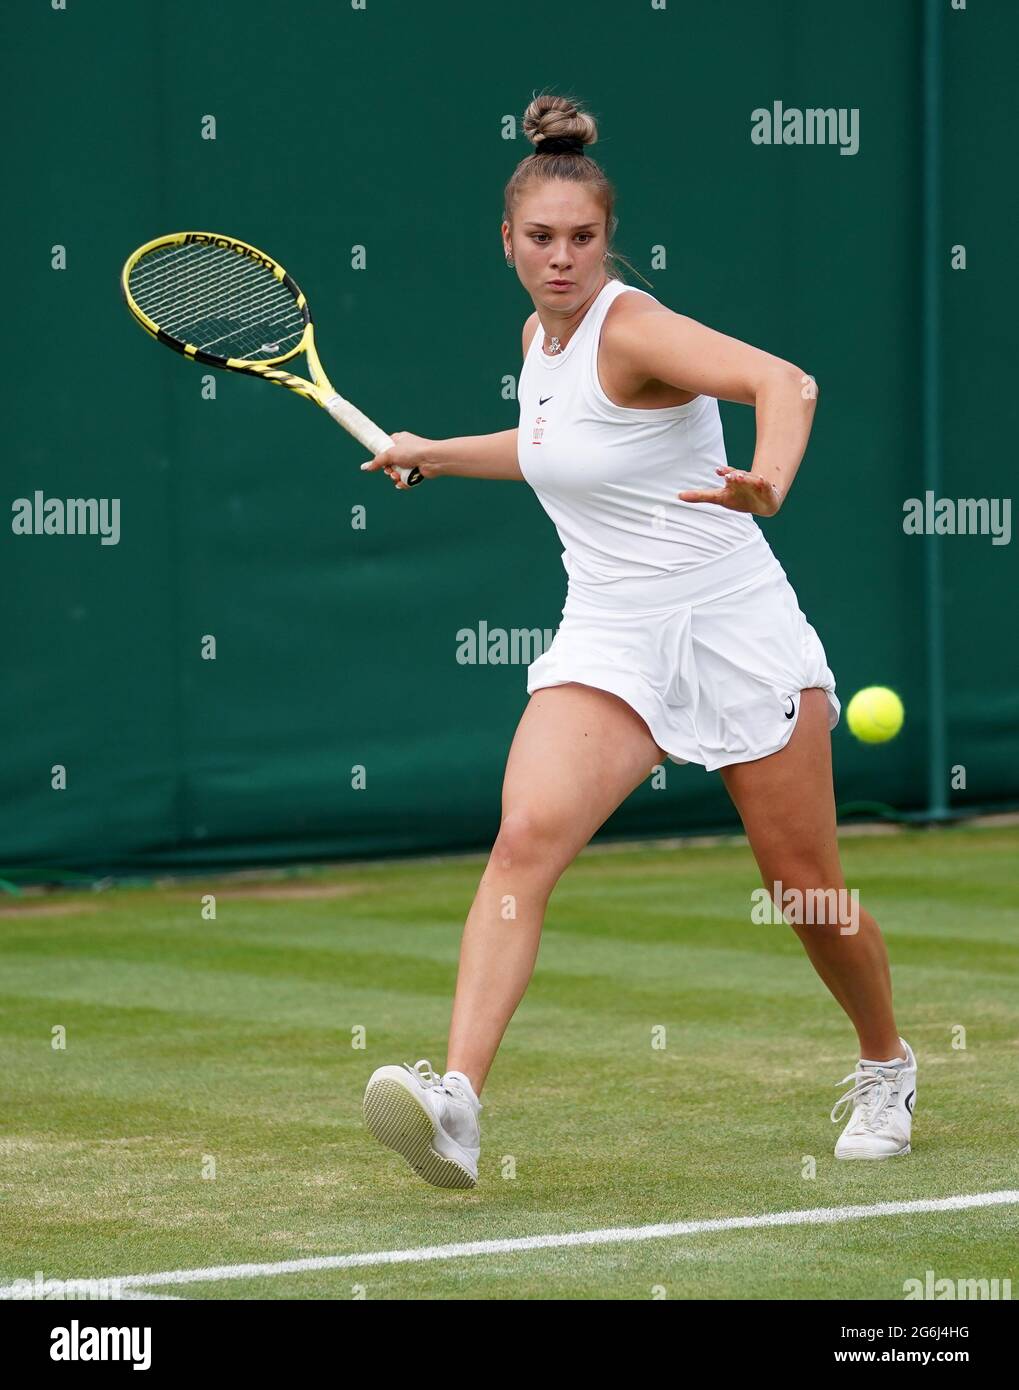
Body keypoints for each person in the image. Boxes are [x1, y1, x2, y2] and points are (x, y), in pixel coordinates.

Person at [360, 94, 916, 1189]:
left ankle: (885, 1063)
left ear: (606, 242)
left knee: (801, 887)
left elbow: (783, 382)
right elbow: (551, 446)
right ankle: (458, 1102)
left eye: (579, 239)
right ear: (507, 243)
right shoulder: (539, 337)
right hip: (608, 636)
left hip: (730, 624)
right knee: (524, 838)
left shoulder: (630, 326)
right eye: (539, 239)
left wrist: (769, 481)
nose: (559, 259)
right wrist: (437, 451)